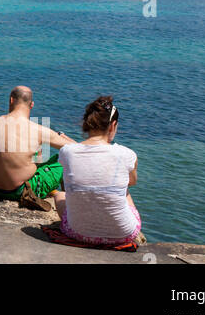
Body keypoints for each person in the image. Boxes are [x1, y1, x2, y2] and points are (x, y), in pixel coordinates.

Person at [54, 96, 142, 247]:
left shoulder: (66, 152)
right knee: (124, 189)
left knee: (60, 196)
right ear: (113, 125)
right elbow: (132, 181)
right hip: (124, 234)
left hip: (78, 233)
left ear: (86, 124)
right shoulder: (127, 154)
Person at [0, 86, 75, 209]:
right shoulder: (38, 130)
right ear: (31, 105)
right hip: (17, 191)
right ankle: (71, 208)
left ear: (11, 100)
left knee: (38, 158)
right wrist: (62, 136)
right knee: (65, 158)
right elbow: (78, 150)